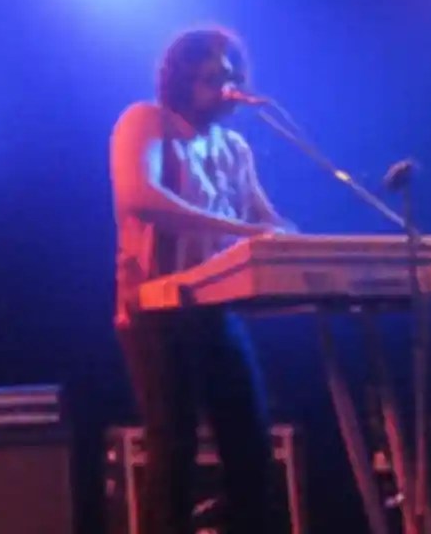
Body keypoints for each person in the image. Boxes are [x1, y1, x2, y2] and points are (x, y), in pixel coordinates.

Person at [109, 27, 293, 534]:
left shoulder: (235, 147)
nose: (224, 88)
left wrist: (288, 239)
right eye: (211, 78)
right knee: (174, 444)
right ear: (182, 79)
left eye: (230, 77)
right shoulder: (146, 123)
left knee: (250, 440)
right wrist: (242, 229)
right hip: (156, 307)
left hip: (217, 309)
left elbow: (263, 216)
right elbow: (138, 197)